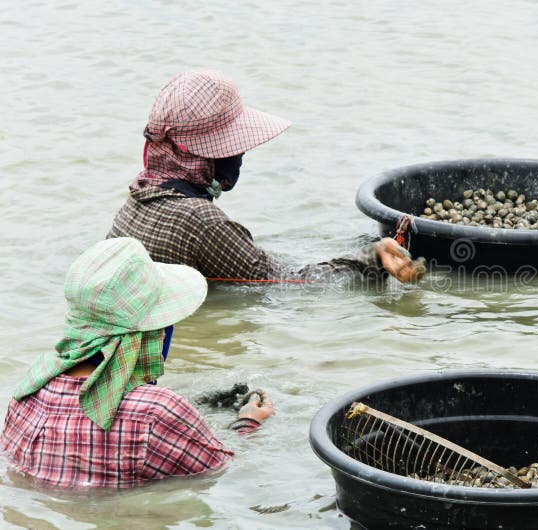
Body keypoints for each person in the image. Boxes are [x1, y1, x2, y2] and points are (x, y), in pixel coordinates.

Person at [0, 238, 273, 488]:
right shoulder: (157, 411)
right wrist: (249, 423)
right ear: (154, 335)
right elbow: (225, 473)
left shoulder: (29, 390)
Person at [107, 70, 424, 284]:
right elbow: (288, 285)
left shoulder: (137, 200)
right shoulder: (202, 222)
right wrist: (371, 259)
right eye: (233, 146)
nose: (239, 155)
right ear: (207, 153)